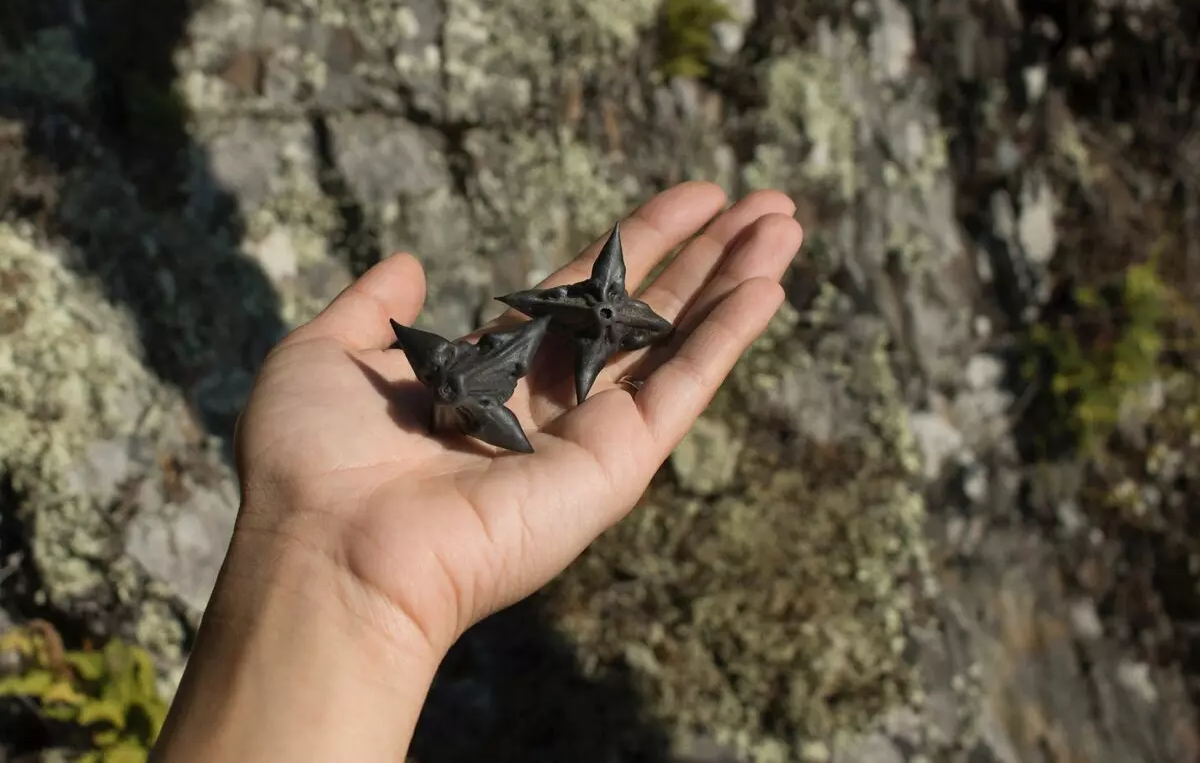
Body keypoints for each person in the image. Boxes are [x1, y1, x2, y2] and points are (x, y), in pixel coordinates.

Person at [149, 182, 804, 762]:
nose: (605, 313)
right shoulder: (476, 386)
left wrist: (321, 566)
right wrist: (329, 561)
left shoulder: (548, 347)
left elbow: (528, 331)